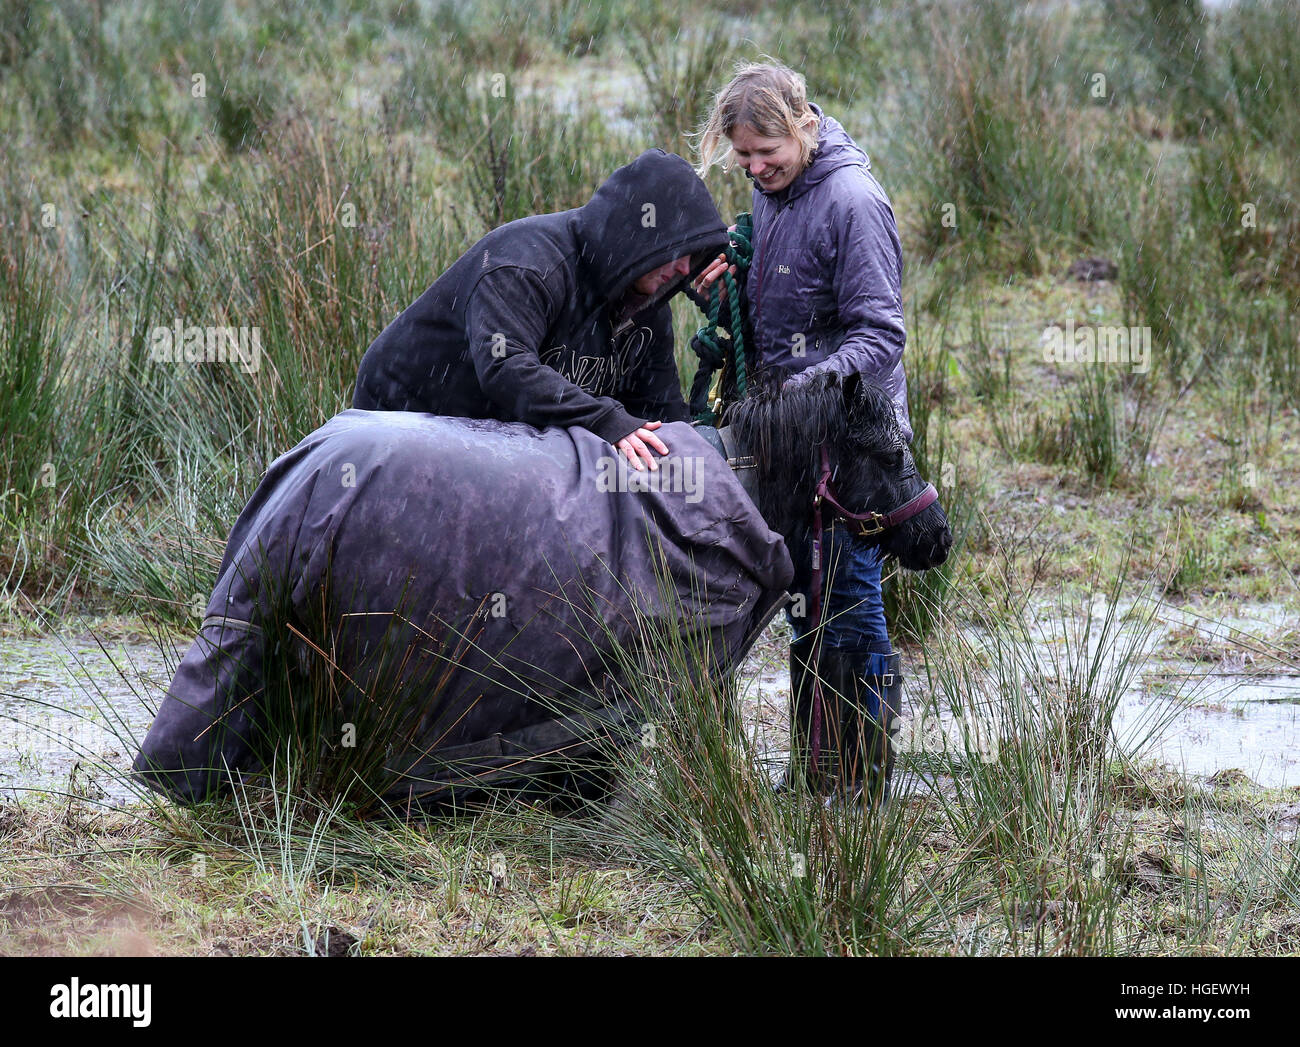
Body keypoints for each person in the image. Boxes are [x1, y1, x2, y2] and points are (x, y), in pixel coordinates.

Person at [694, 61, 910, 802]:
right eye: (744, 157)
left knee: (849, 594)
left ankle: (865, 778)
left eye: (769, 152)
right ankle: (816, 769)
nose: (757, 168)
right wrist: (726, 295)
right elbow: (783, 314)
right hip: (787, 438)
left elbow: (880, 335)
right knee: (804, 601)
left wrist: (804, 393)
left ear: (804, 124)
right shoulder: (771, 193)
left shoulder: (852, 201)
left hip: (849, 441)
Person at [353, 149, 730, 470]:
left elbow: (658, 410)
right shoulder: (527, 265)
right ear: (641, 237)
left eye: (693, 256)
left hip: (503, 439)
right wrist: (605, 419)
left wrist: (693, 454)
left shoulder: (649, 304)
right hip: (405, 421)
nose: (684, 269)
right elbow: (505, 367)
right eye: (678, 252)